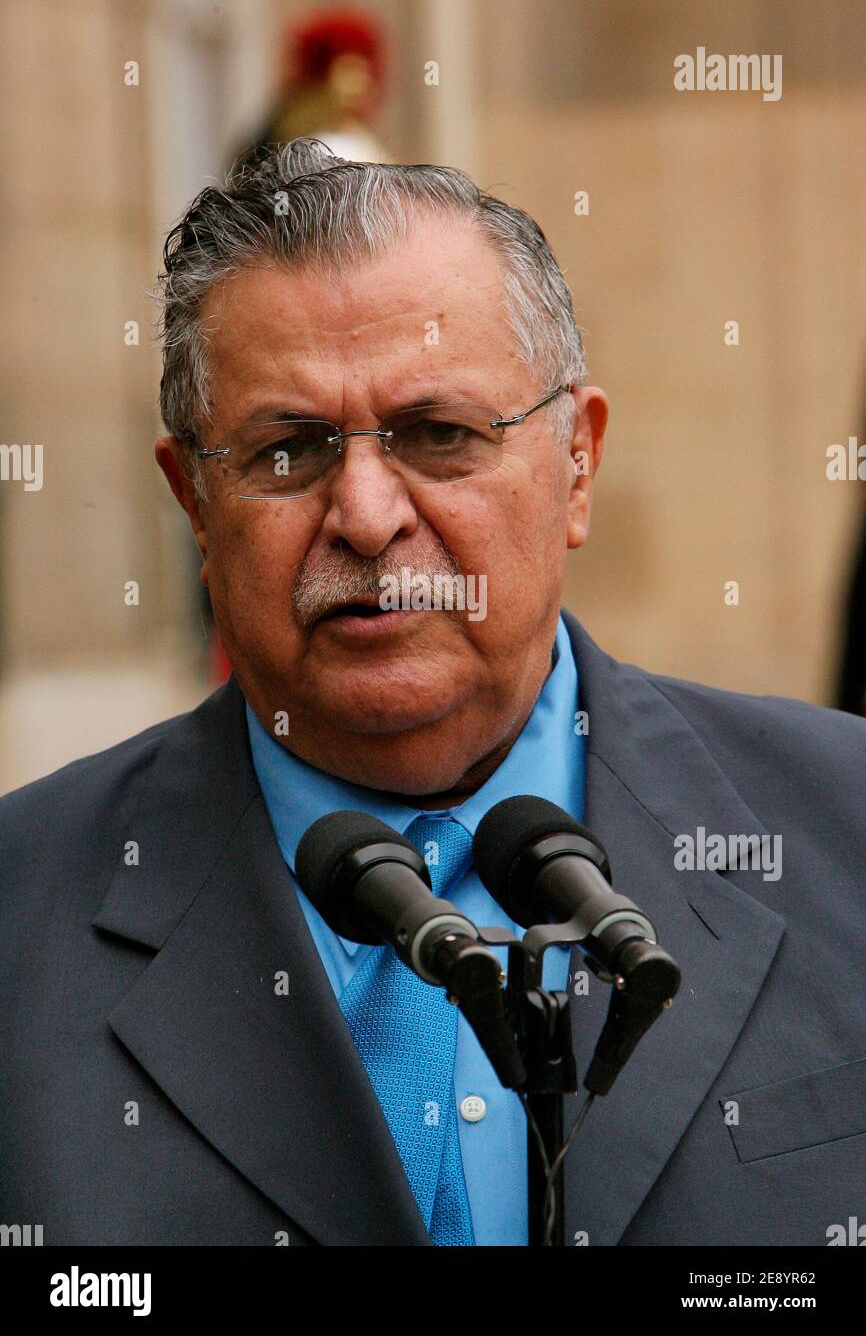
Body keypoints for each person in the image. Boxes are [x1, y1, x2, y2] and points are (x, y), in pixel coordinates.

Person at [1, 140, 864, 1247]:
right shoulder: (24, 913)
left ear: (577, 465)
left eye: (438, 434)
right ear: (194, 507)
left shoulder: (842, 827)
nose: (365, 514)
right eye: (286, 449)